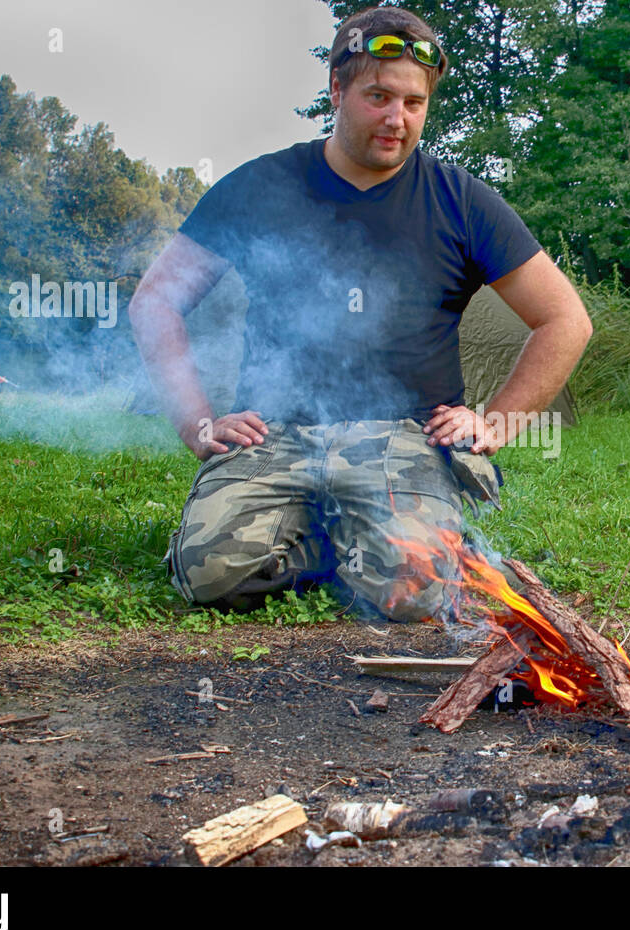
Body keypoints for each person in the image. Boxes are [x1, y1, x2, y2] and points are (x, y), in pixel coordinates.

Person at [128, 5, 591, 621]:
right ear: (338, 90)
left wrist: (497, 424)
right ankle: (335, 538)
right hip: (275, 432)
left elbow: (565, 319)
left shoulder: (461, 200)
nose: (396, 120)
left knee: (414, 592)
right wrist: (198, 423)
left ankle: (386, 536)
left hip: (406, 437)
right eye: (378, 96)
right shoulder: (260, 187)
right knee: (212, 576)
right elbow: (156, 300)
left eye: (413, 103)